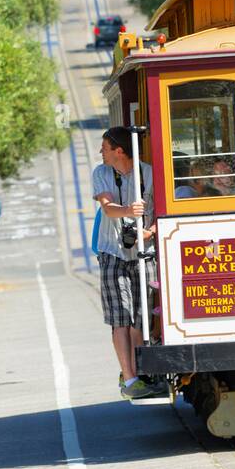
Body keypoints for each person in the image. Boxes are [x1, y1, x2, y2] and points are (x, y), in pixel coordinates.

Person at [92, 127, 157, 400]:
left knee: (142, 317)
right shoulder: (102, 173)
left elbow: (163, 211)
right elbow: (107, 208)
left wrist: (149, 232)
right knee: (121, 317)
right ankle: (130, 379)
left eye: (105, 148)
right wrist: (130, 211)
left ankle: (144, 372)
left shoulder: (151, 173)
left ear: (120, 151)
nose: (101, 153)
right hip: (113, 252)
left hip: (145, 251)